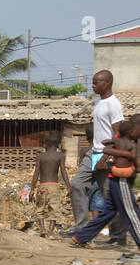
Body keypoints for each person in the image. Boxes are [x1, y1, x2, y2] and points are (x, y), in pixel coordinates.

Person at [65, 72, 126, 239]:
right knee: (77, 184)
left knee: (110, 196)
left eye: (95, 83)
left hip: (106, 155)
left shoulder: (114, 105)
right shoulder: (99, 102)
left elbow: (118, 134)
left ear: (106, 83)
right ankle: (81, 229)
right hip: (94, 152)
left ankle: (118, 236)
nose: (92, 86)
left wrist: (105, 158)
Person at [72, 120, 140, 252]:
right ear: (132, 131)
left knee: (108, 212)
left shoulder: (122, 142)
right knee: (132, 212)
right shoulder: (127, 144)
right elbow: (129, 157)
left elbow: (106, 147)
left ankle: (82, 236)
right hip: (121, 181)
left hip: (115, 179)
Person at [32, 133, 69, 235]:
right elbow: (63, 172)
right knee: (54, 208)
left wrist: (31, 189)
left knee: (40, 208)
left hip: (42, 186)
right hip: (54, 186)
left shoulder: (40, 156)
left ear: (46, 144)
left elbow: (36, 172)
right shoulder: (60, 155)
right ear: (57, 144)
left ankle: (42, 229)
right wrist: (69, 187)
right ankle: (50, 231)